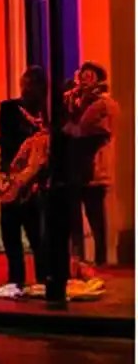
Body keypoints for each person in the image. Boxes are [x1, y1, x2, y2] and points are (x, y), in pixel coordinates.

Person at [0, 66, 49, 298]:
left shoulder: (45, 111)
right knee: (16, 230)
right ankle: (20, 278)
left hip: (32, 175)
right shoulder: (11, 108)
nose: (26, 88)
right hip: (16, 174)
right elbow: (7, 141)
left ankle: (38, 278)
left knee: (31, 230)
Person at [65, 61, 118, 269]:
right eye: (83, 75)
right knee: (74, 213)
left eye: (90, 75)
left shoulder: (102, 103)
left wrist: (71, 125)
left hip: (94, 166)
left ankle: (101, 257)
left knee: (95, 213)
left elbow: (84, 128)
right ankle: (77, 255)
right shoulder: (75, 100)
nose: (85, 79)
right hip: (76, 166)